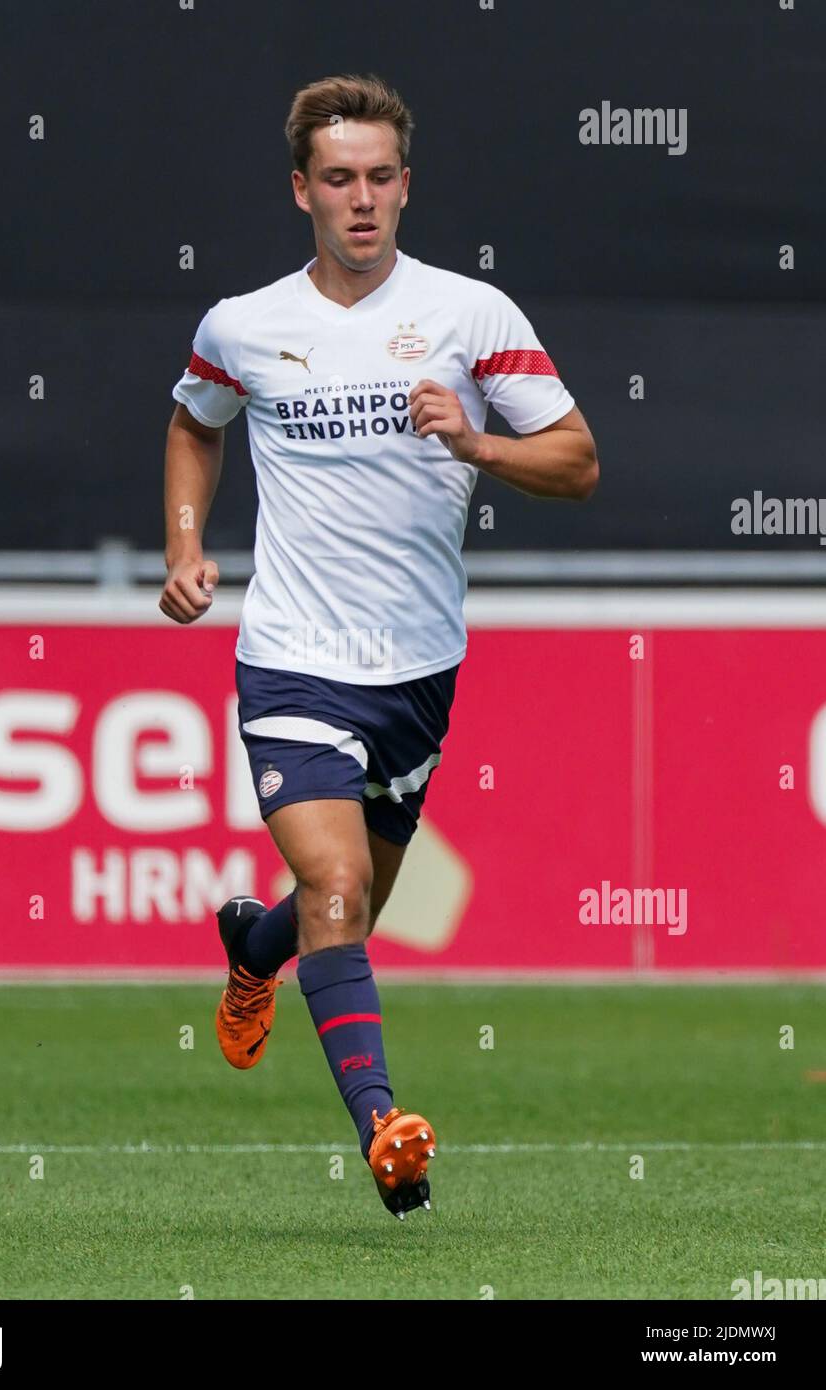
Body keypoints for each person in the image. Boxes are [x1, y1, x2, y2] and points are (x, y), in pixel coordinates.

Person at [160, 72, 598, 1218]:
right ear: (301, 189)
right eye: (340, 179)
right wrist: (185, 545)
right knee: (341, 888)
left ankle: (252, 954)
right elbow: (193, 424)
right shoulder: (244, 326)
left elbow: (579, 461)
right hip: (294, 658)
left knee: (334, 911)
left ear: (408, 186)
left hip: (419, 672)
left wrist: (478, 446)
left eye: (382, 177)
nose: (363, 199)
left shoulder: (472, 315)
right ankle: (385, 1135)